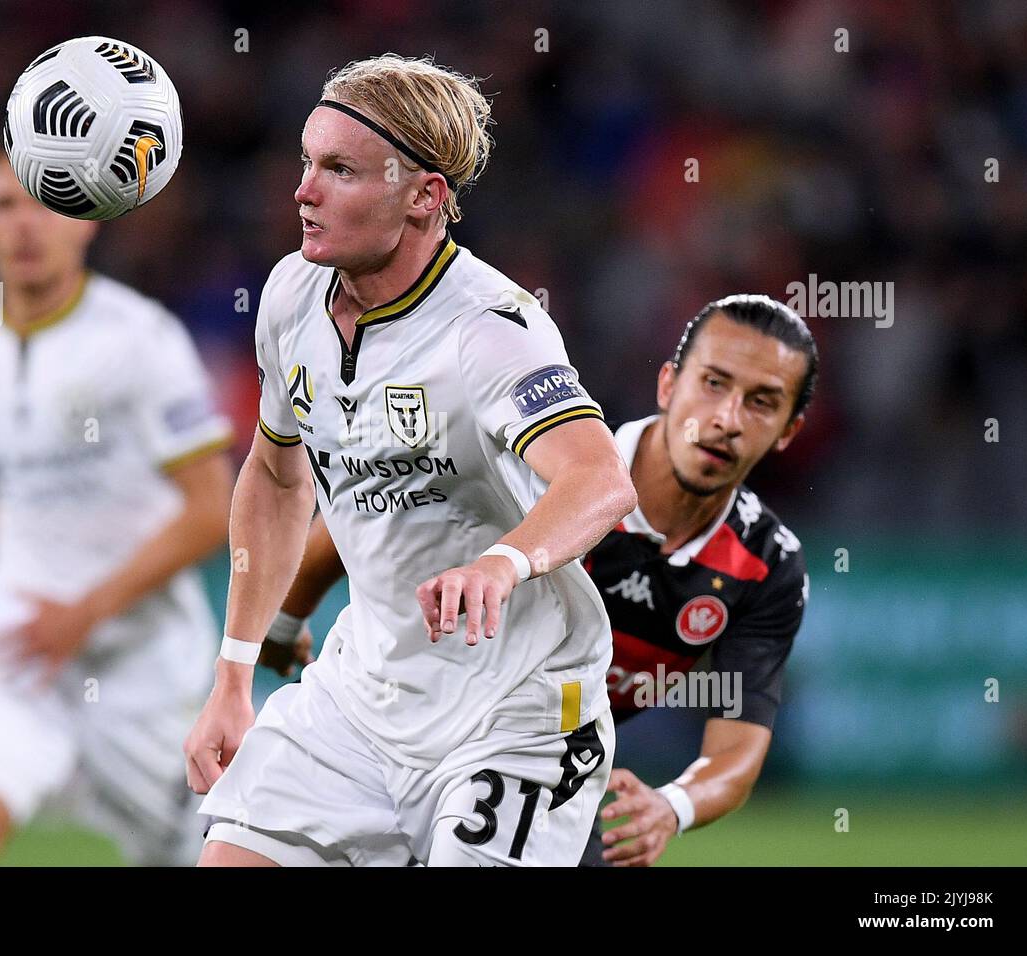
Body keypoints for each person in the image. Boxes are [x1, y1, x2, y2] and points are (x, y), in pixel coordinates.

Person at [184, 54, 637, 867]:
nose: (303, 191)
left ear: (424, 196)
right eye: (306, 162)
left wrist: (501, 565)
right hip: (366, 696)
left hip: (517, 712)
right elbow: (277, 476)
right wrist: (235, 672)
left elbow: (599, 478)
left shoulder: (491, 329)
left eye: (339, 170)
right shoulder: (290, 297)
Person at [269, 294, 817, 867]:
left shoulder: (765, 566)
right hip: (408, 727)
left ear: (788, 430)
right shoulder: (556, 452)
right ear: (667, 385)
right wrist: (281, 623)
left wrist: (671, 805)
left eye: (761, 402)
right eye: (712, 383)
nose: (726, 419)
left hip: (540, 761)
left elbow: (737, 750)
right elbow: (373, 504)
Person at [0, 149, 234, 866]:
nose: (24, 224)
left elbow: (212, 508)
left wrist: (85, 612)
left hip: (139, 664)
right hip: (18, 649)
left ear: (86, 224)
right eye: (3, 205)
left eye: (46, 203)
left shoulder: (142, 341)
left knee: (195, 856)